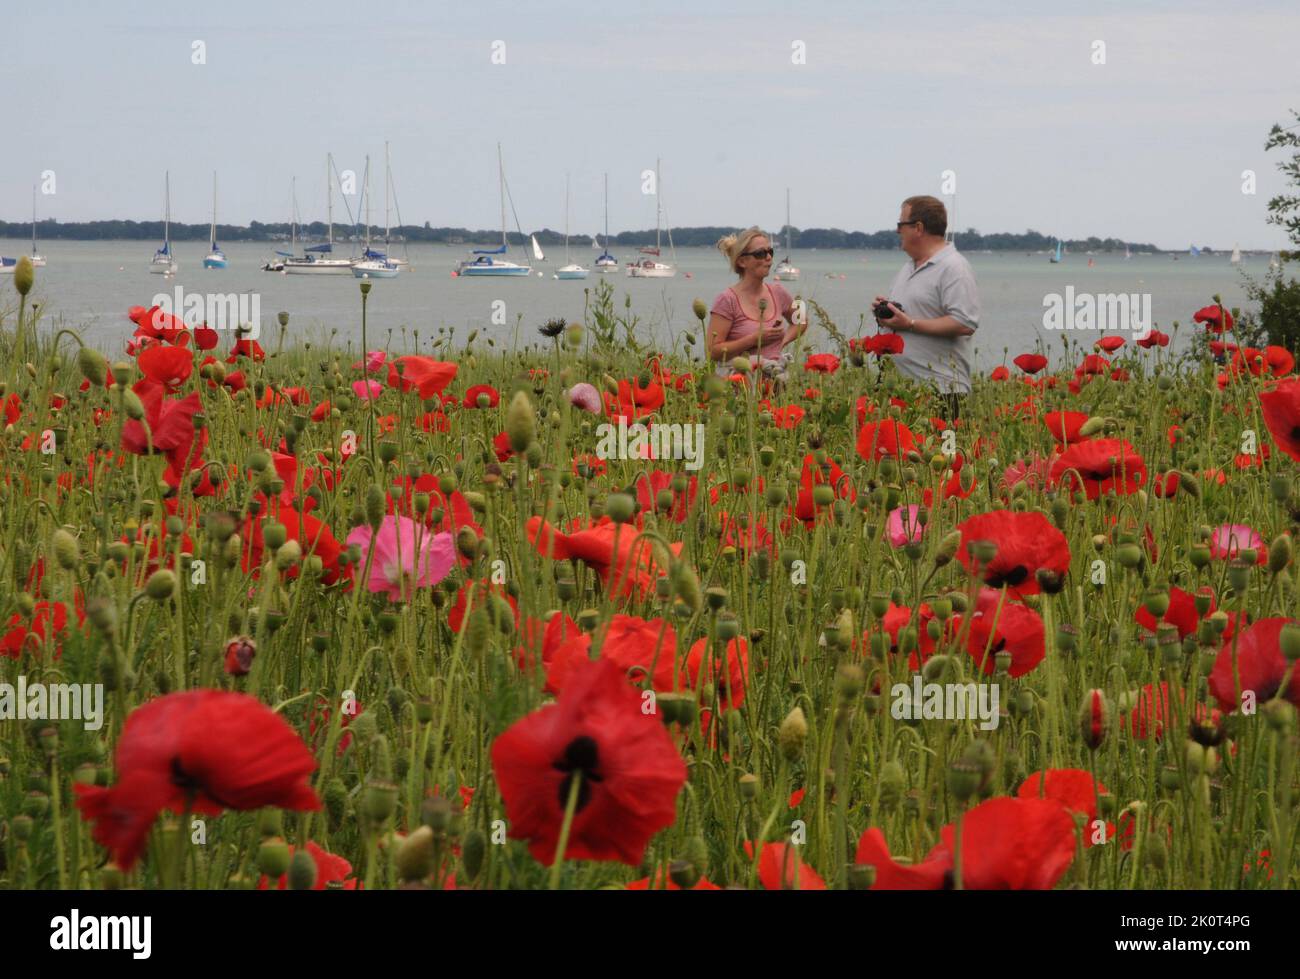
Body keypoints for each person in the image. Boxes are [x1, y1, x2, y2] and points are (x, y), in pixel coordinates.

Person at [873, 196, 980, 419]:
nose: (897, 231)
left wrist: (910, 324)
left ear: (918, 228)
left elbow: (965, 322)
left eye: (900, 224)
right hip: (903, 391)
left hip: (941, 392)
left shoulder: (954, 268)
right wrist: (887, 312)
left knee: (941, 454)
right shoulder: (909, 267)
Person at [708, 228, 807, 385]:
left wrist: (782, 342)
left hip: (775, 383)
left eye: (770, 252)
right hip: (739, 386)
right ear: (742, 261)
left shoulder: (778, 291)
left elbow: (802, 319)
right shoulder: (726, 300)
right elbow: (713, 351)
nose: (768, 257)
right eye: (760, 254)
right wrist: (754, 340)